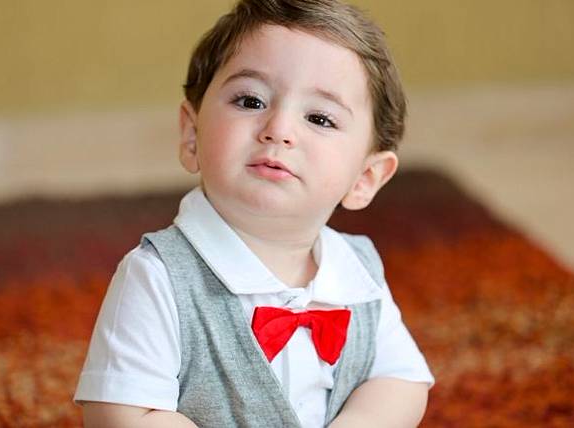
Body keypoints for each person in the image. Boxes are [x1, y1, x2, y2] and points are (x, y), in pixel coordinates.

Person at [74, 0, 434, 426]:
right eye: (250, 101)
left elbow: (401, 378)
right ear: (192, 135)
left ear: (365, 178)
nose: (278, 129)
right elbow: (123, 416)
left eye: (320, 118)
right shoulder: (160, 277)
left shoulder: (359, 273)